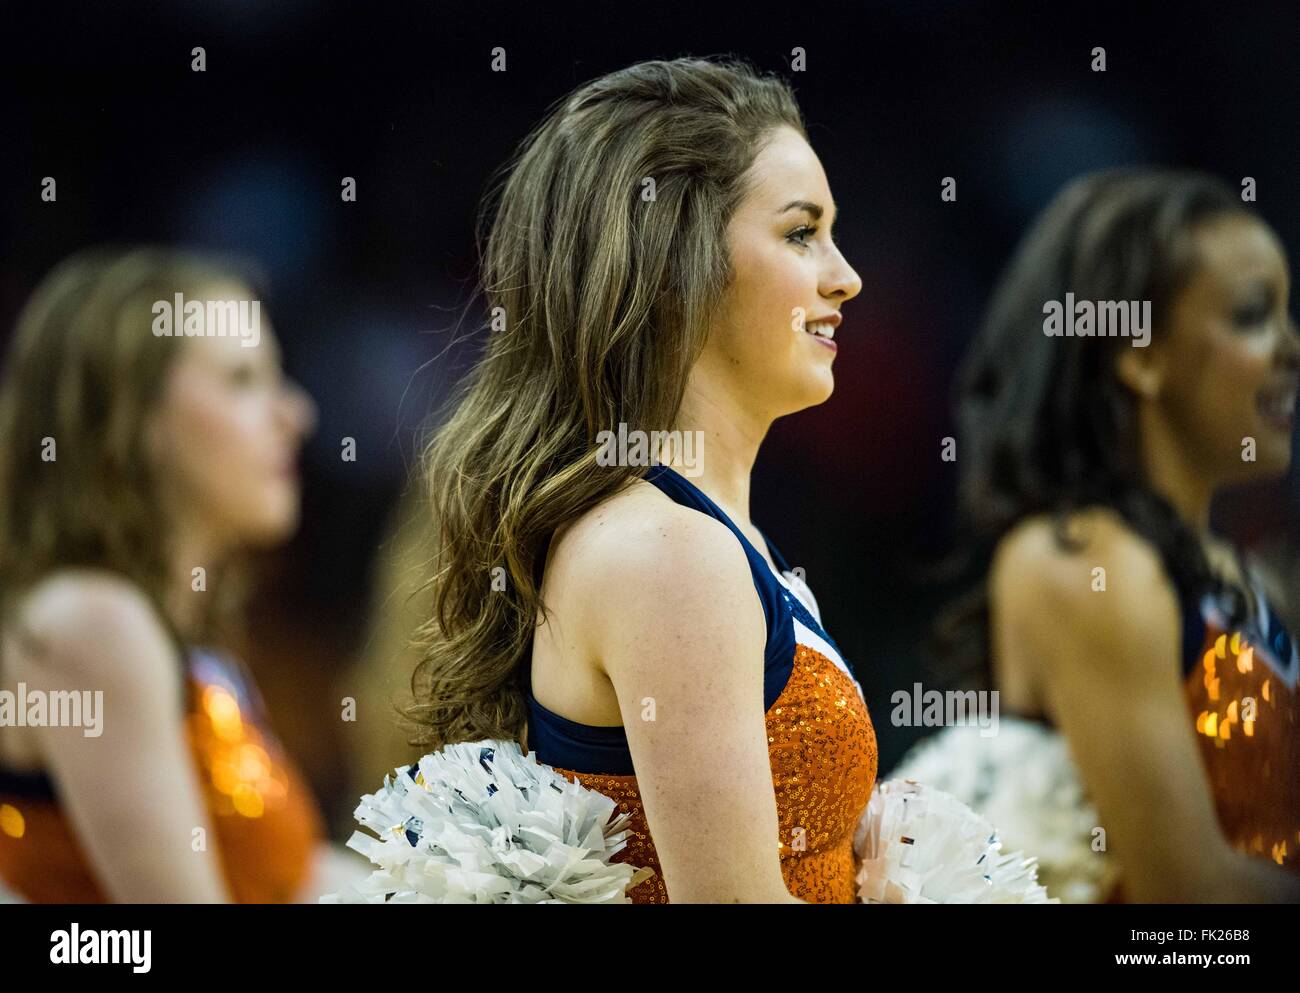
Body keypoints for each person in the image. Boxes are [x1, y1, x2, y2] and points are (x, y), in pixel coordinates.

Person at [407, 57, 874, 903]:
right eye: (802, 233)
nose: (845, 276)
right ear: (676, 262)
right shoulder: (668, 551)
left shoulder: (702, 536)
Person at [931, 169, 1300, 902]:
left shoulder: (1237, 570)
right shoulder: (1083, 558)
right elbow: (1186, 899)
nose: (1290, 347)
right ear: (1139, 354)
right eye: (1254, 315)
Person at [0, 246, 327, 902]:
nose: (295, 414)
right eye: (243, 380)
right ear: (129, 418)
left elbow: (304, 879)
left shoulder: (171, 623)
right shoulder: (93, 623)